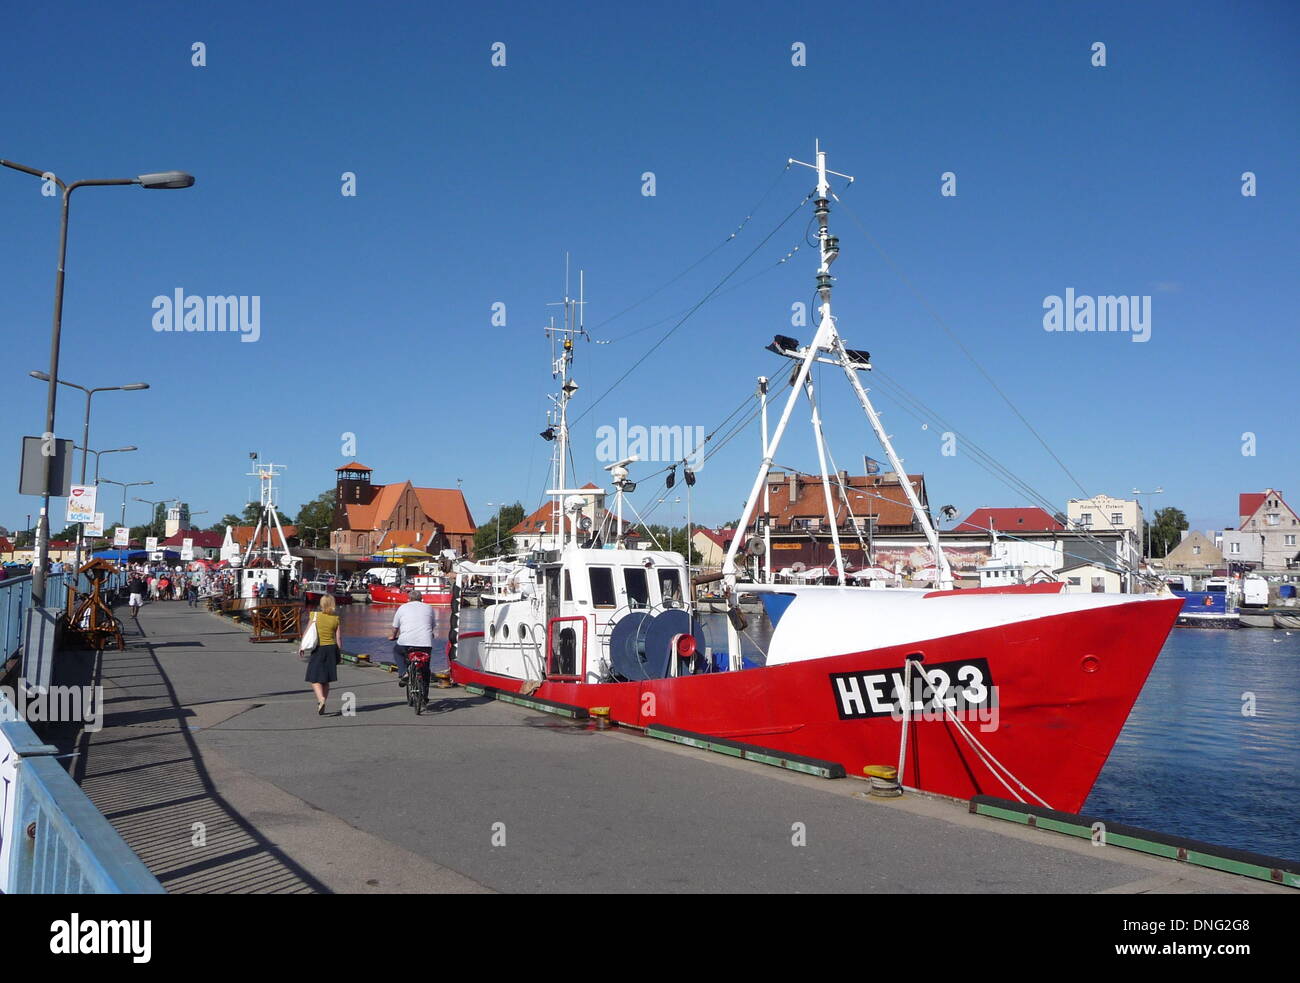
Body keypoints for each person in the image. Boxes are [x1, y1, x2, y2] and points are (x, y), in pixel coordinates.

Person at [304, 594, 343, 714]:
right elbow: (338, 637)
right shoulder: (335, 618)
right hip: (331, 649)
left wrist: (302, 646)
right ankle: (323, 700)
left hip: (319, 648)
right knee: (326, 679)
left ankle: (320, 699)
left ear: (321, 604)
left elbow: (307, 632)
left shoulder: (315, 615)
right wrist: (339, 652)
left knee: (314, 677)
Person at [390, 590, 436, 687]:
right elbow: (431, 626)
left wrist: (393, 636)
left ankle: (404, 673)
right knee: (426, 665)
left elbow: (395, 627)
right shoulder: (429, 608)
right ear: (421, 599)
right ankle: (424, 694)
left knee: (397, 651)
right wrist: (430, 633)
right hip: (425, 643)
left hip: (405, 643)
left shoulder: (402, 607)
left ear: (409, 599)